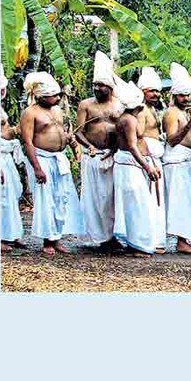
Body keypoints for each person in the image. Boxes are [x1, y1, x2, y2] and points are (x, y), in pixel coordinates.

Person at [19, 72, 78, 255]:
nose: (57, 98)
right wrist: (36, 167)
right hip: (42, 158)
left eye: (57, 94)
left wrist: (70, 140)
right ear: (41, 96)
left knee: (61, 197)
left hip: (59, 157)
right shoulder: (30, 113)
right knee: (47, 200)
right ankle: (47, 241)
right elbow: (27, 141)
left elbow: (61, 131)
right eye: (53, 95)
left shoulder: (57, 110)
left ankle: (57, 238)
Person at [71, 51, 123, 252]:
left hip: (113, 155)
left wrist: (114, 149)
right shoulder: (86, 105)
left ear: (109, 87)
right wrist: (89, 146)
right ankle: (99, 237)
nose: (97, 88)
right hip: (92, 156)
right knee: (94, 197)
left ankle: (111, 235)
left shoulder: (119, 105)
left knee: (110, 197)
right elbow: (78, 132)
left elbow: (123, 130)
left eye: (101, 85)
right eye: (95, 85)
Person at [162, 62, 191, 254]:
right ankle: (181, 241)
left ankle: (185, 239)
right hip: (176, 162)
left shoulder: (185, 111)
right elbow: (172, 140)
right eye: (182, 95)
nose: (186, 98)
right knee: (179, 202)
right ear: (174, 95)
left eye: (188, 95)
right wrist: (190, 123)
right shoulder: (171, 113)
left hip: (186, 161)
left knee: (188, 201)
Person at [112, 78, 162, 257]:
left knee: (138, 204)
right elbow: (132, 146)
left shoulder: (126, 118)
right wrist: (147, 167)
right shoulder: (129, 121)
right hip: (129, 167)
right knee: (136, 205)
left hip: (130, 166)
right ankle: (137, 244)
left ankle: (137, 243)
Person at [135, 67, 167, 252]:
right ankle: (147, 240)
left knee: (156, 201)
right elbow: (138, 136)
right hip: (147, 161)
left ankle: (155, 240)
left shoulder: (152, 110)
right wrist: (147, 163)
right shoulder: (141, 110)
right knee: (148, 201)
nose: (156, 94)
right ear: (142, 91)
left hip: (154, 158)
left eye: (158, 91)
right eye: (152, 91)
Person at [1, 66, 25, 252]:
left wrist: (16, 130)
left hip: (6, 156)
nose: (2, 91)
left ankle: (11, 233)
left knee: (13, 192)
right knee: (0, 196)